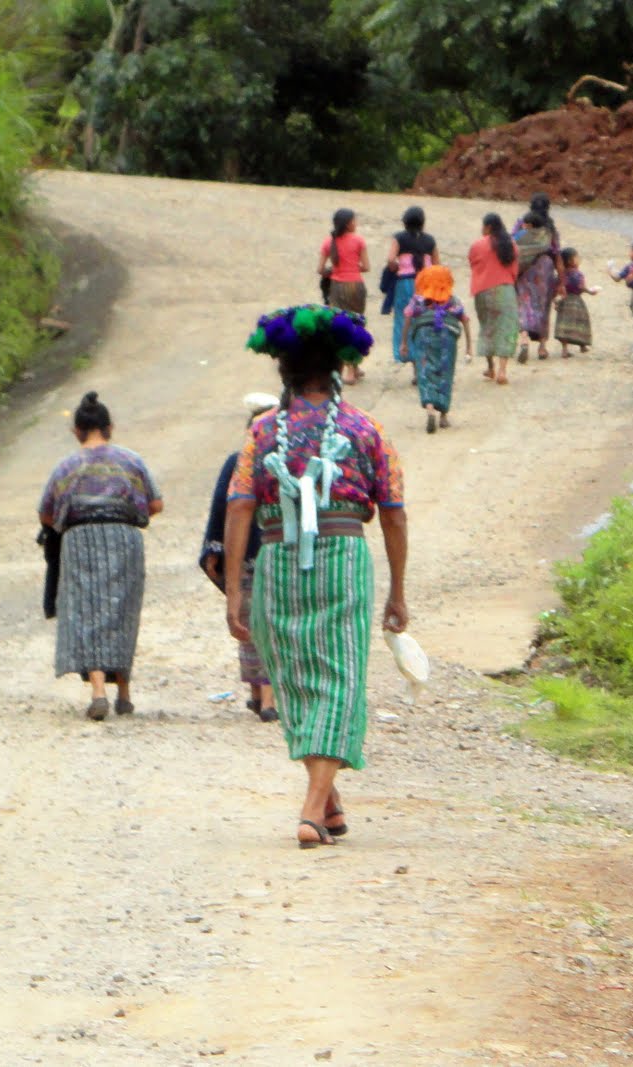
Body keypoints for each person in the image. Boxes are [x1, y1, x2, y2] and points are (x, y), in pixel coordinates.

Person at [225, 304, 409, 849]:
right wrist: (397, 590)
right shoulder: (366, 429)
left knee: (296, 680)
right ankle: (313, 808)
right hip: (344, 561)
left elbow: (239, 508)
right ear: (335, 370)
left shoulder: (261, 433)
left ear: (282, 370)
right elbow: (394, 511)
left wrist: (236, 589)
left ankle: (325, 803)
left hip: (279, 563)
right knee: (340, 678)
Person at [37, 392, 164, 721]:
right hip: (123, 538)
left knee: (87, 611)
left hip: (80, 540)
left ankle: (97, 691)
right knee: (121, 611)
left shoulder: (65, 467)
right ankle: (123, 692)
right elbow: (155, 505)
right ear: (110, 428)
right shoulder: (130, 461)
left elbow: (46, 513)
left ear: (77, 430)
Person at [200, 393, 280, 723]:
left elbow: (224, 508)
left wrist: (213, 552)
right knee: (276, 624)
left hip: (246, 560)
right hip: (282, 557)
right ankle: (269, 698)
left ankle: (260, 695)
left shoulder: (237, 462)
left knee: (249, 625)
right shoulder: (291, 461)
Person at [399, 264, 472, 434]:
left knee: (425, 370)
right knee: (446, 372)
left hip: (423, 336)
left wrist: (404, 342)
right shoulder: (453, 301)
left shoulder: (419, 300)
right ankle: (444, 416)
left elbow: (408, 318)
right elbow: (465, 320)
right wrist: (469, 346)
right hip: (448, 338)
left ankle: (430, 408)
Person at [318, 208, 370, 384]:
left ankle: (350, 367)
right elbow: (366, 266)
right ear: (348, 224)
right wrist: (353, 268)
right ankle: (353, 366)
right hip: (356, 286)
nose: (356, 223)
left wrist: (334, 270)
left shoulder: (328, 243)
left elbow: (320, 269)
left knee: (341, 325)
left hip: (337, 287)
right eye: (354, 221)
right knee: (356, 324)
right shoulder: (358, 241)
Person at [468, 213, 520, 384]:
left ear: (488, 227)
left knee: (487, 326)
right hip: (506, 290)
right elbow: (515, 270)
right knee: (506, 329)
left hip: (484, 290)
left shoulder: (478, 245)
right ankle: (502, 371)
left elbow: (473, 263)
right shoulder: (511, 245)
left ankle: (490, 368)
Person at [386, 206, 438, 372]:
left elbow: (390, 260)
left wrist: (396, 267)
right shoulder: (430, 240)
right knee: (425, 321)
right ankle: (422, 363)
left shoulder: (399, 238)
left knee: (405, 319)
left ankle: (411, 358)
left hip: (405, 284)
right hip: (427, 285)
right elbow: (437, 266)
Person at [512, 206, 565, 362]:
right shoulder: (549, 233)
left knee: (524, 306)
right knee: (543, 308)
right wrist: (562, 282)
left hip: (524, 273)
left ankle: (523, 338)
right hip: (545, 271)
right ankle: (542, 347)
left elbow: (511, 248)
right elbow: (558, 257)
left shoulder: (520, 232)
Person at [553, 247, 599, 357]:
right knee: (581, 323)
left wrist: (555, 301)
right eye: (577, 258)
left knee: (565, 325)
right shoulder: (578, 274)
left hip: (564, 301)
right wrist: (590, 291)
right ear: (570, 261)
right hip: (576, 302)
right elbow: (581, 286)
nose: (579, 260)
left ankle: (564, 349)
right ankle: (582, 345)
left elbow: (556, 288)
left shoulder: (561, 275)